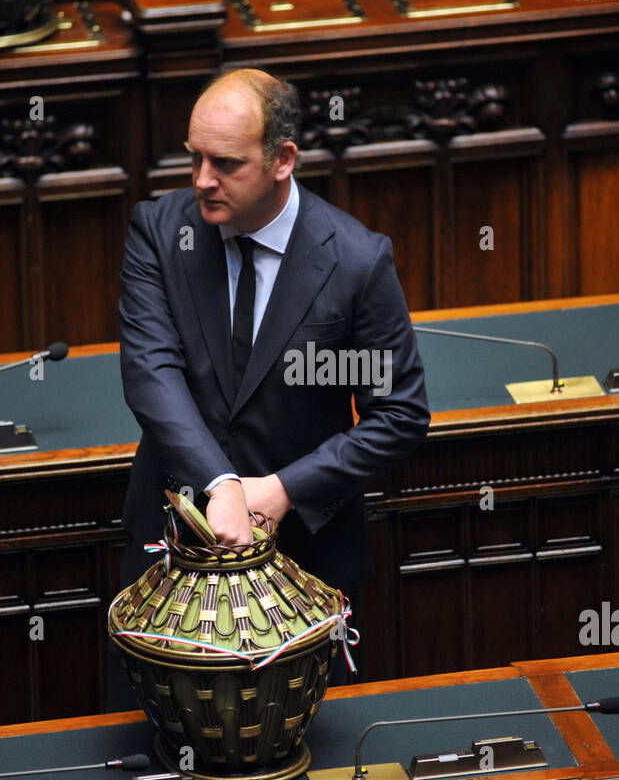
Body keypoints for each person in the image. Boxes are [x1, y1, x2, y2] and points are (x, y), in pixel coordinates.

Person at [112, 68, 429, 704]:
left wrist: (283, 489)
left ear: (283, 159)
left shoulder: (355, 260)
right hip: (171, 552)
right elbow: (152, 375)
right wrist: (221, 484)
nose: (202, 179)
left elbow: (399, 413)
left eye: (224, 163)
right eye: (194, 158)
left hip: (305, 559)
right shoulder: (160, 231)